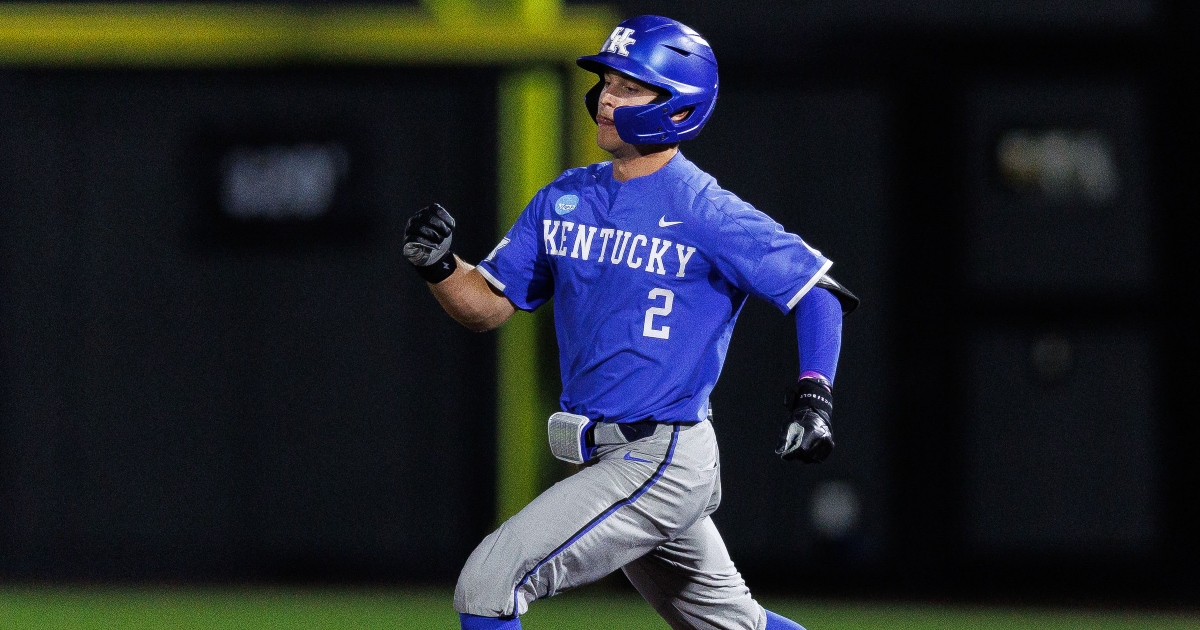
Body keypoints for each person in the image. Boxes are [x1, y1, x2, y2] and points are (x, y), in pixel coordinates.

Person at [401, 15, 858, 630]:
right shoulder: (567, 196)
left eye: (631, 86)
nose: (608, 97)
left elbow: (818, 291)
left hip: (661, 456)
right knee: (734, 626)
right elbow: (485, 305)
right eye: (607, 81)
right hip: (607, 456)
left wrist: (814, 396)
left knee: (489, 580)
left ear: (678, 106)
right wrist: (439, 267)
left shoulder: (704, 210)